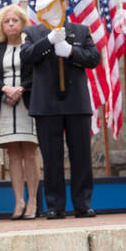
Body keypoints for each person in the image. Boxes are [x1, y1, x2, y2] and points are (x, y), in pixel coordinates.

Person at [22, 15, 101, 218]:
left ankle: (82, 204)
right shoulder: (32, 33)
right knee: (51, 158)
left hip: (76, 102)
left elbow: (93, 58)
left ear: (64, 5)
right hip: (46, 104)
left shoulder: (81, 31)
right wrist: (48, 41)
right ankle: (55, 205)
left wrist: (71, 51)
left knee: (81, 156)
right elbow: (27, 56)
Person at [0, 4, 40, 219]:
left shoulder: (31, 46)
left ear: (22, 23)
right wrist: (6, 89)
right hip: (5, 103)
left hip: (28, 101)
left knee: (29, 151)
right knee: (14, 154)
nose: (10, 24)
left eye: (14, 20)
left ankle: (33, 201)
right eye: (6, 21)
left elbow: (37, 72)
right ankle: (18, 201)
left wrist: (21, 89)